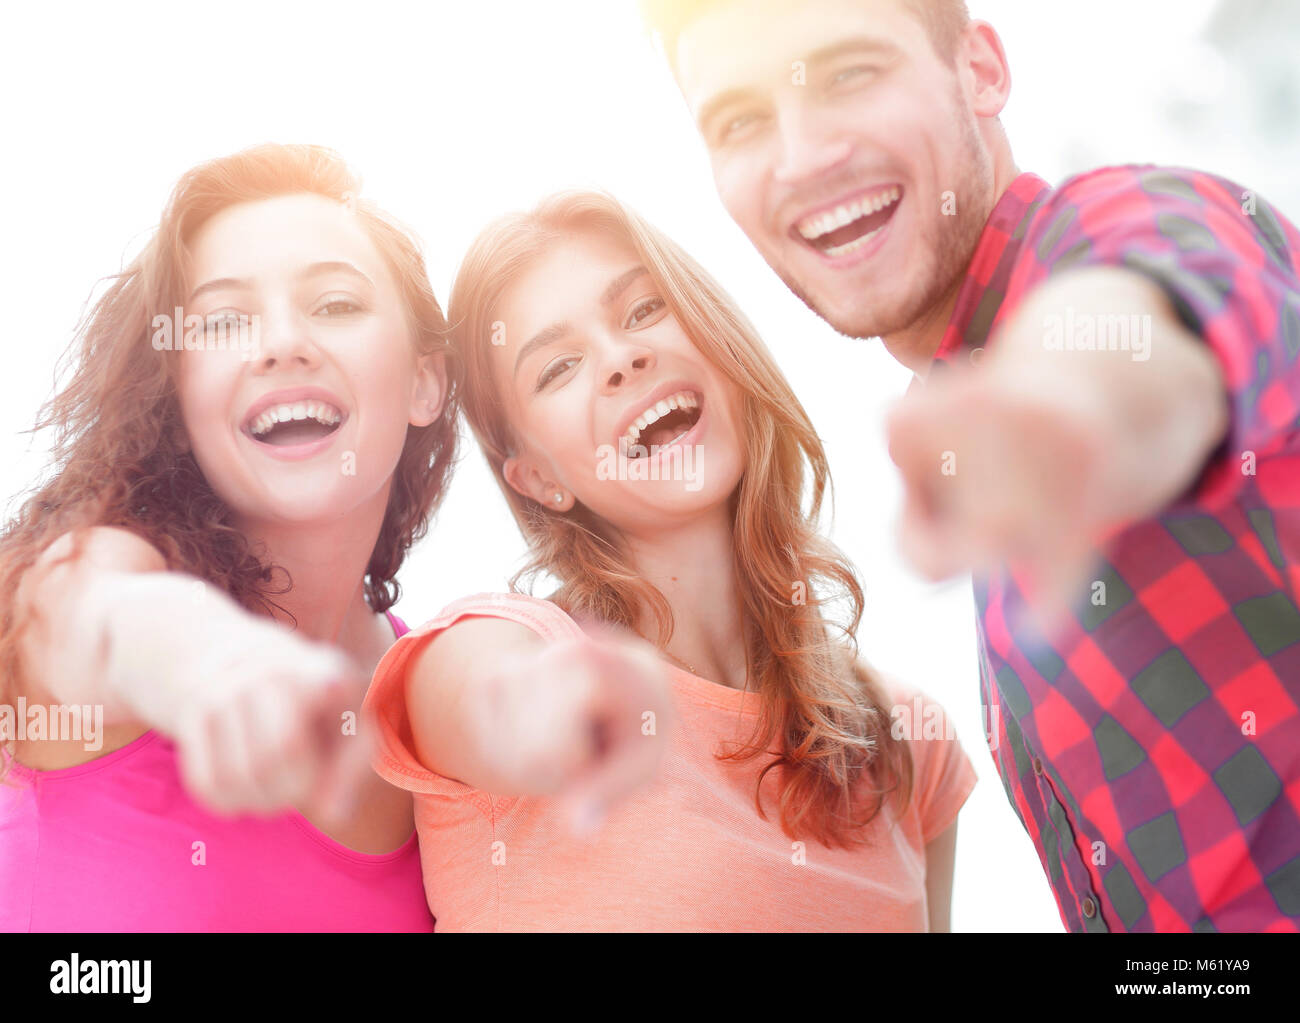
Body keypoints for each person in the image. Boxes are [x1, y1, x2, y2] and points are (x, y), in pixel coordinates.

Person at [638, 0, 1300, 931]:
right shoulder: (964, 404)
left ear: (982, 71)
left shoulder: (1127, 224)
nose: (801, 157)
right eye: (742, 121)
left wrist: (1066, 410)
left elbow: (1146, 323)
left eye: (849, 75)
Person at [362, 190, 978, 931]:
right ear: (538, 478)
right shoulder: (501, 642)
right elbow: (480, 698)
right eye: (557, 368)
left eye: (643, 310)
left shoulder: (911, 741)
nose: (622, 358)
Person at [0, 144, 455, 931]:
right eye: (223, 321)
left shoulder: (437, 705)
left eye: (337, 304)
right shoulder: (95, 573)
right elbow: (101, 617)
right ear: (175, 401)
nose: (282, 343)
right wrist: (208, 657)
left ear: (424, 381)